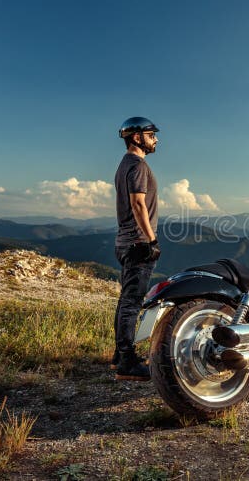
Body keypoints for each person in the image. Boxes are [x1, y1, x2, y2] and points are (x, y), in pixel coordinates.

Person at [113, 116, 161, 381]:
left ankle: (120, 355)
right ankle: (128, 363)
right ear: (136, 137)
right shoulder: (138, 165)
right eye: (151, 134)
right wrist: (151, 239)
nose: (155, 139)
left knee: (125, 301)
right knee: (132, 302)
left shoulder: (124, 165)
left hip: (123, 241)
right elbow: (138, 204)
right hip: (137, 242)